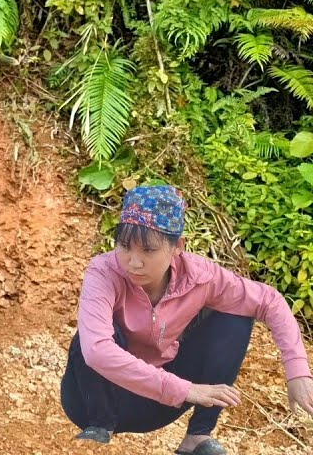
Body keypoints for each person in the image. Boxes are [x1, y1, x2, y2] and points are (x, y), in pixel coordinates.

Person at [61, 184, 313, 455]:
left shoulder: (199, 276)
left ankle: (198, 436)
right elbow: (97, 352)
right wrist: (184, 389)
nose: (133, 262)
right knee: (92, 336)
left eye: (148, 250)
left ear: (177, 247)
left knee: (235, 318)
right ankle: (101, 427)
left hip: (152, 405)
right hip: (88, 402)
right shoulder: (104, 272)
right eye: (124, 246)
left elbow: (269, 300)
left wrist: (297, 371)